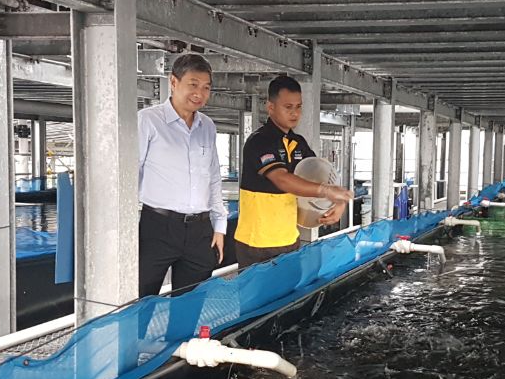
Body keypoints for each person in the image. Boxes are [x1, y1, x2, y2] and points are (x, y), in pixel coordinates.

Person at [234, 74, 353, 270]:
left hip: (289, 239)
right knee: (257, 299)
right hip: (256, 242)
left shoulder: (299, 144)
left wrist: (338, 202)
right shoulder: (259, 141)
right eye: (288, 107)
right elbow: (282, 179)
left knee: (289, 297)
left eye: (298, 107)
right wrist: (325, 191)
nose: (295, 113)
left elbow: (321, 175)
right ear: (270, 107)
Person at [136, 52, 228, 296]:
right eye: (193, 85)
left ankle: (181, 336)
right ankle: (138, 337)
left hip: (200, 229)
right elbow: (129, 175)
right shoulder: (148, 121)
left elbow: (213, 177)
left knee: (190, 304)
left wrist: (219, 225)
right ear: (173, 82)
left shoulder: (207, 126)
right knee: (140, 299)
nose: (200, 93)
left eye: (206, 87)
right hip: (157, 227)